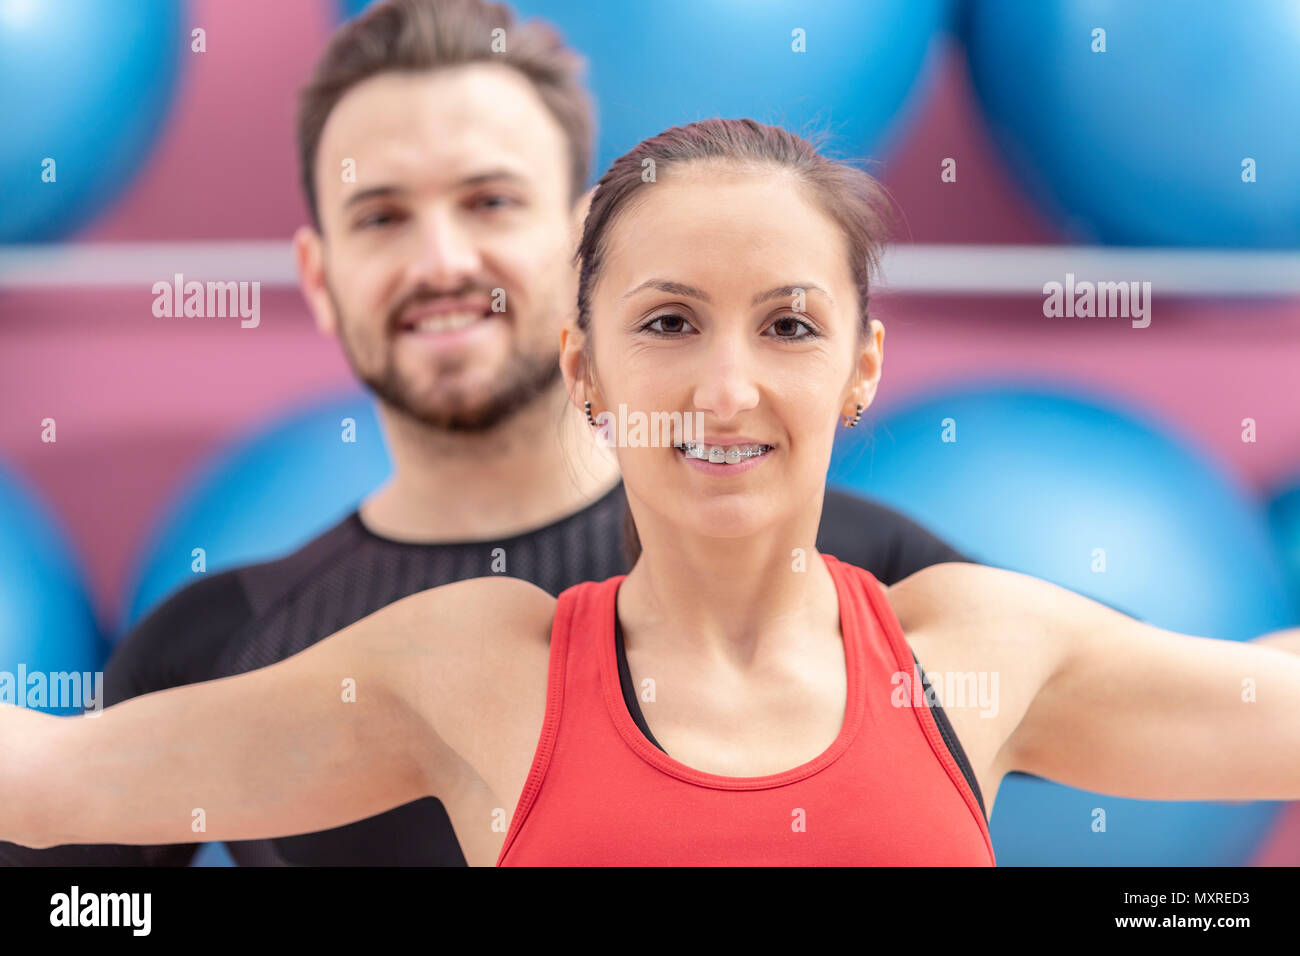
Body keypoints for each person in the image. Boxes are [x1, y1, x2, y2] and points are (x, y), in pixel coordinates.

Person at [6, 116, 1300, 867]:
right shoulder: (474, 671)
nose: (726, 389)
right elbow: (58, 780)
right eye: (671, 322)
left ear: (862, 367)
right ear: (586, 366)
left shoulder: (976, 655)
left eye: (788, 327)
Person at [0, 0, 971, 868]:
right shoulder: (215, 639)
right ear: (320, 276)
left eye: (489, 201)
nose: (442, 258)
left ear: (587, 240)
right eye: (381, 215)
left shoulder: (875, 572)